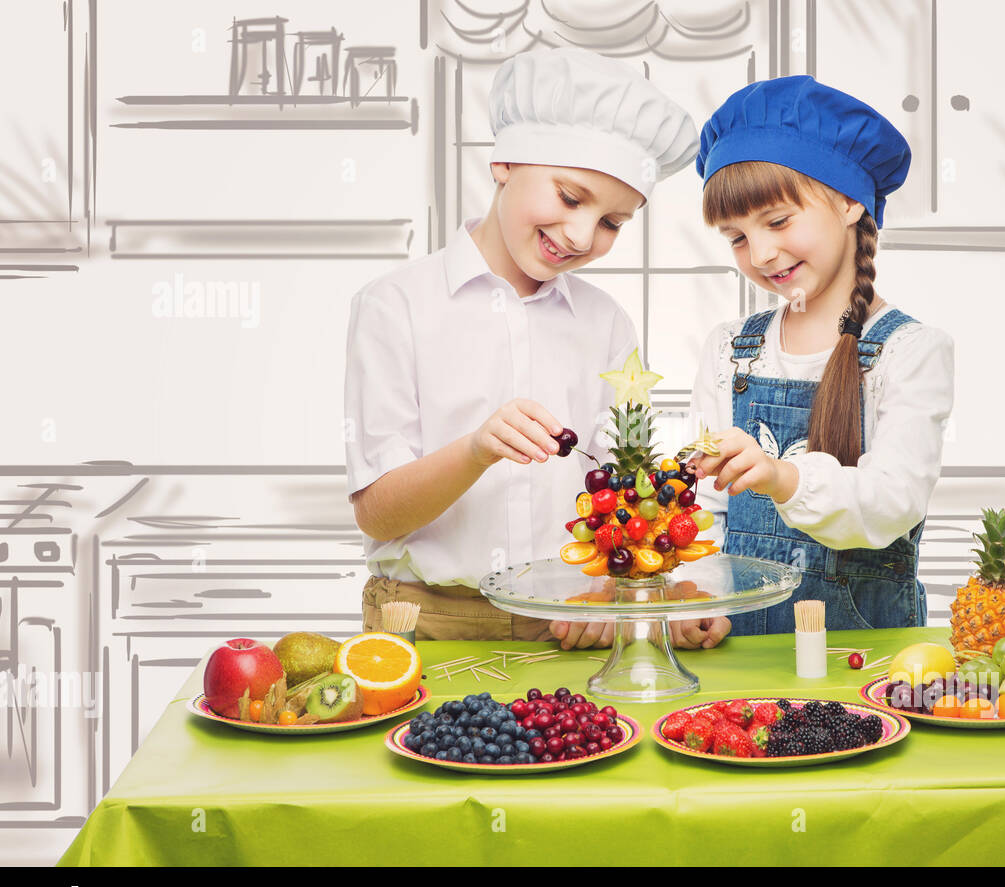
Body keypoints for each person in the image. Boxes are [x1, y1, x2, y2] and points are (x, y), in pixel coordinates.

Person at [345, 47, 726, 649]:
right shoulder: (395, 305)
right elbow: (377, 513)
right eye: (571, 197)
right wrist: (475, 450)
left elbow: (627, 497)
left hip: (566, 619)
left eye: (612, 223)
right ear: (503, 163)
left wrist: (626, 591)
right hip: (426, 620)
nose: (581, 235)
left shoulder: (605, 323)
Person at [687, 75, 955, 635]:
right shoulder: (730, 351)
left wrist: (782, 477)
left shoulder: (908, 351)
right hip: (743, 656)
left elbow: (892, 502)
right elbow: (704, 510)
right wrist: (701, 600)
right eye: (737, 237)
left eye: (778, 221)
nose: (762, 253)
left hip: (864, 662)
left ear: (850, 201)